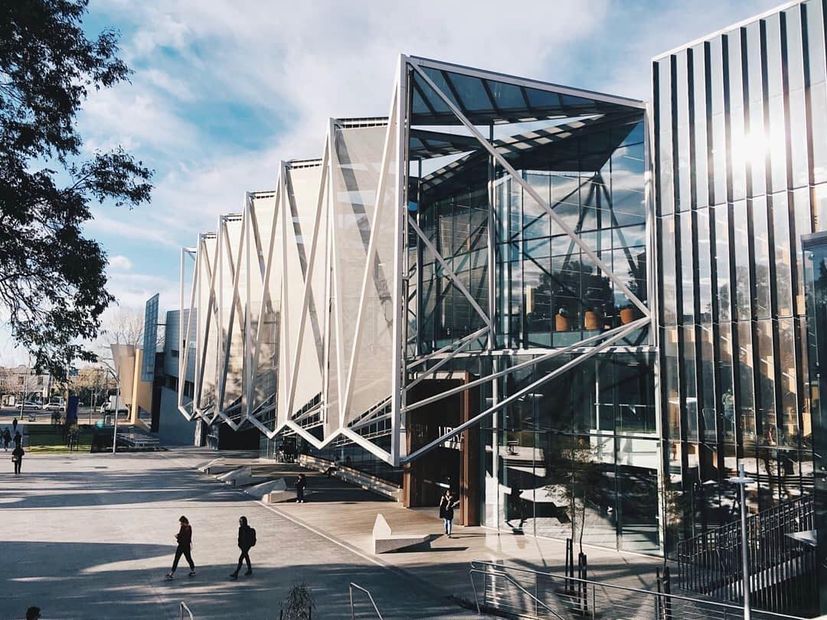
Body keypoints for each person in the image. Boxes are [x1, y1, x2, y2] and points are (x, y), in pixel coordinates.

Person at [165, 516, 196, 580]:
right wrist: (179, 536)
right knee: (187, 558)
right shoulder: (188, 527)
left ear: (184, 522)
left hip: (182, 546)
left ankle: (172, 573)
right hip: (186, 546)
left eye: (181, 522)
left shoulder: (185, 528)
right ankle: (192, 570)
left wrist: (177, 537)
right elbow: (185, 536)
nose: (180, 524)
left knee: (179, 559)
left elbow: (183, 537)